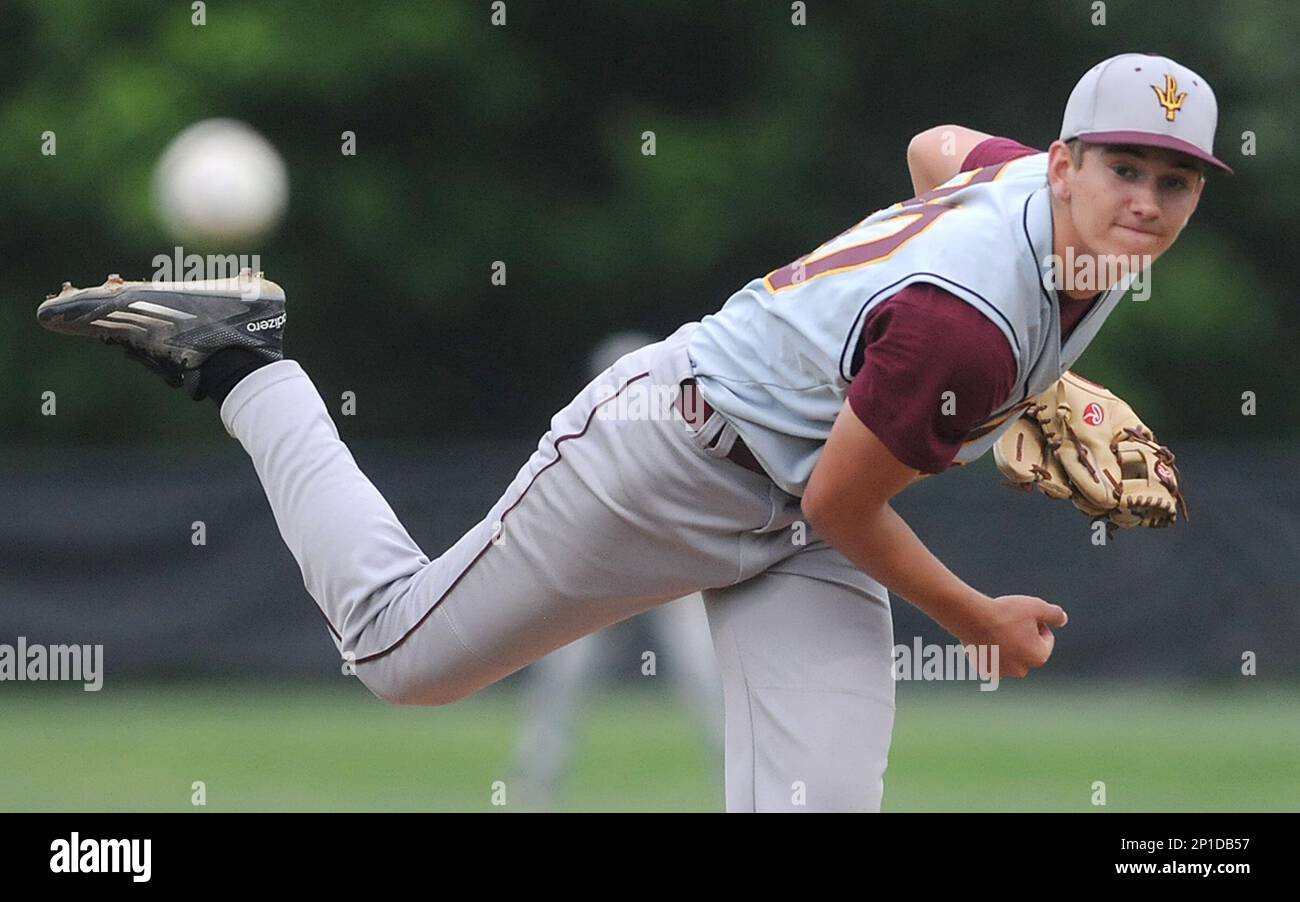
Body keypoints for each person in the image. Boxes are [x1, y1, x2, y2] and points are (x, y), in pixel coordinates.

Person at [37, 53, 1229, 812]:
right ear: (1066, 160)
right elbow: (843, 507)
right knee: (402, 658)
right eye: (1123, 167)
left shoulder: (1048, 205)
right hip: (673, 459)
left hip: (800, 506)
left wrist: (870, 326)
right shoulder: (959, 327)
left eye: (1175, 182)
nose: (1146, 201)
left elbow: (936, 153)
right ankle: (245, 360)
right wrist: (977, 620)